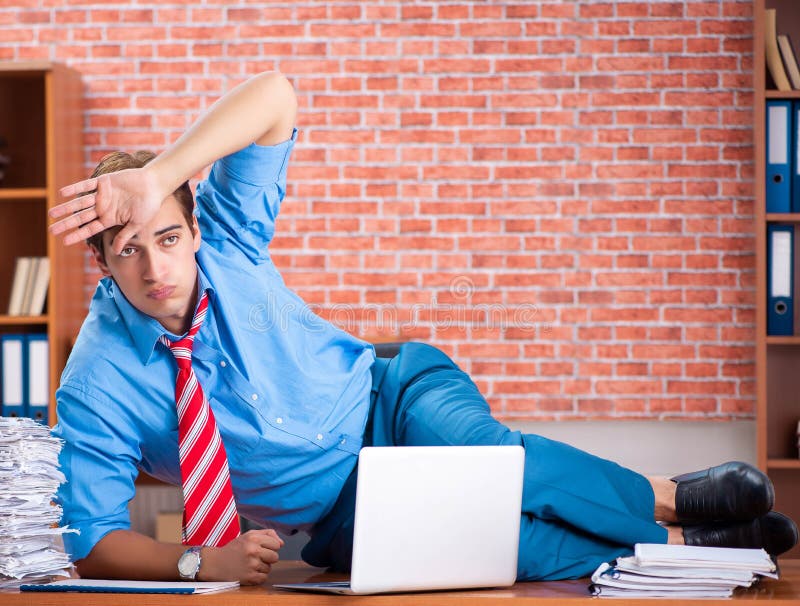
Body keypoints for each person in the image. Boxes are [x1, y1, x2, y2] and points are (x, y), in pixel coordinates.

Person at [49, 71, 798, 585]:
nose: (156, 267)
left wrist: (161, 174)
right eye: (128, 250)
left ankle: (666, 496)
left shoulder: (230, 236)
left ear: (194, 229)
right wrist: (195, 563)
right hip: (340, 510)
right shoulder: (96, 381)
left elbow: (275, 95)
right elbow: (91, 539)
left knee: (482, 460)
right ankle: (688, 549)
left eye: (169, 237)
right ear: (102, 263)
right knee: (503, 548)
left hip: (391, 395)